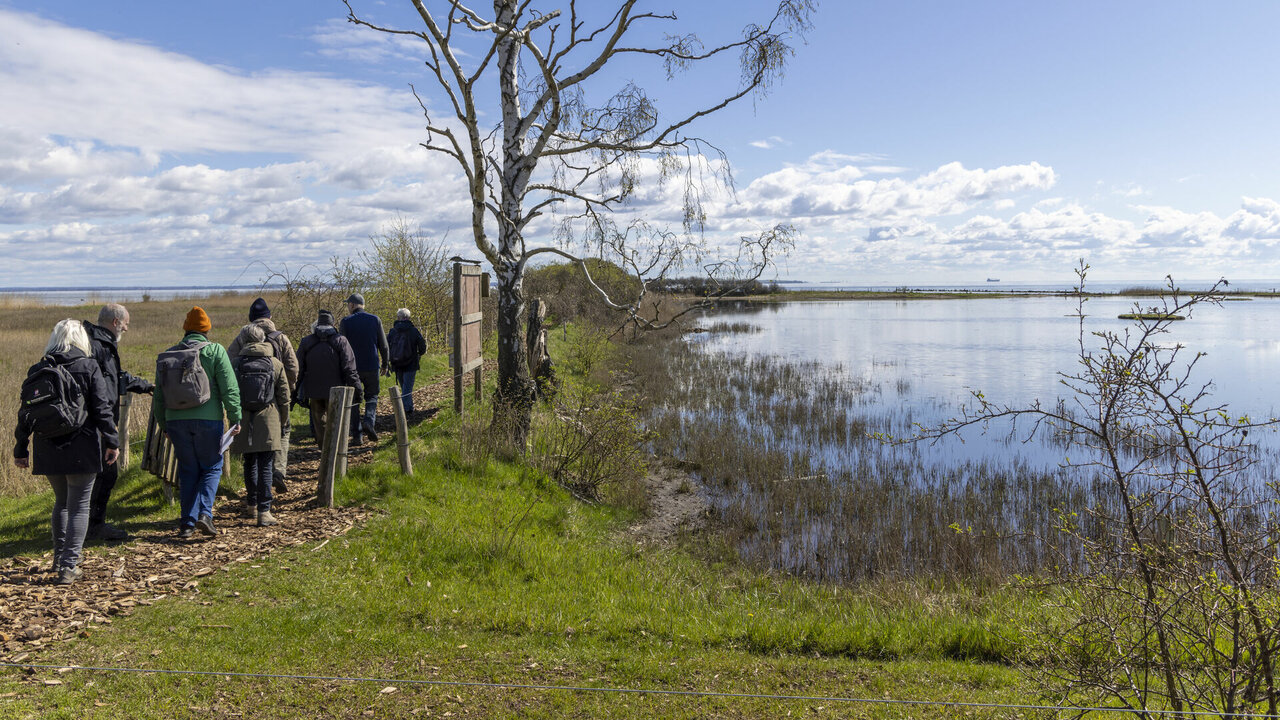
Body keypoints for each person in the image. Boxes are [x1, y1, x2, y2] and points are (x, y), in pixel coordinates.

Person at [13, 319, 119, 585]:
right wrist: (112, 440)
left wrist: (21, 447)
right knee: (79, 506)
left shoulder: (39, 368)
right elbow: (102, 408)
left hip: (47, 445)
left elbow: (25, 414)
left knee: (61, 503)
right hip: (81, 444)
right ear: (80, 339)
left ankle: (60, 558)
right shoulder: (88, 365)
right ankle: (69, 566)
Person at [153, 307, 240, 539]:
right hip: (208, 420)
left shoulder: (169, 355)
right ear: (207, 329)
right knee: (212, 466)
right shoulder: (215, 351)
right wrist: (235, 417)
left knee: (188, 470)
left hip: (176, 422)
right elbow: (229, 388)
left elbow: (159, 397)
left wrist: (165, 425)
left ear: (185, 329)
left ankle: (187, 524)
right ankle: (204, 514)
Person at [83, 304, 154, 541]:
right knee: (105, 474)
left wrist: (146, 386)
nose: (127, 328)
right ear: (115, 322)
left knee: (99, 474)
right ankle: (93, 526)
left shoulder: (99, 342)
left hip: (96, 421)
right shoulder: (99, 346)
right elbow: (98, 387)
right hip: (97, 423)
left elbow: (116, 378)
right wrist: (105, 424)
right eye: (126, 324)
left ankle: (87, 525)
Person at [227, 297, 298, 492]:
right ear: (269, 316)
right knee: (283, 431)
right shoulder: (280, 337)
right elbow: (292, 368)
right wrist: (288, 389)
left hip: (247, 400)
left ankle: (253, 491)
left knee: (251, 442)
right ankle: (277, 471)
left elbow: (229, 364)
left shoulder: (242, 337)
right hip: (274, 399)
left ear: (251, 319)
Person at [229, 324, 290, 527]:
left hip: (244, 418)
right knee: (266, 465)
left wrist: (233, 419)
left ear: (243, 341)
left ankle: (251, 505)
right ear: (262, 339)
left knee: (249, 463)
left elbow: (231, 394)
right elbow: (284, 396)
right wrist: (283, 420)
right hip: (269, 417)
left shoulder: (236, 363)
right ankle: (265, 511)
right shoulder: (275, 363)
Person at [295, 310, 362, 446]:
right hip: (337, 391)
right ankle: (335, 452)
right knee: (336, 422)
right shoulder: (341, 341)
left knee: (320, 425)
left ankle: (324, 451)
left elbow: (298, 369)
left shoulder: (306, 342)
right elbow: (350, 368)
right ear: (332, 324)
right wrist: (357, 389)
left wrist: (294, 392)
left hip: (314, 391)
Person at [338, 293, 389, 444]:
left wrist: (341, 367)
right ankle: (369, 420)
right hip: (372, 365)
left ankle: (357, 435)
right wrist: (385, 364)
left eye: (348, 304)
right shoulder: (375, 319)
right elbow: (384, 345)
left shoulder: (346, 322)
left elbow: (342, 347)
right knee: (372, 395)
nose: (348, 306)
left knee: (354, 400)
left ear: (353, 305)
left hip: (352, 368)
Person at [385, 308, 427, 414]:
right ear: (408, 318)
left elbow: (386, 346)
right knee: (407, 388)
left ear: (399, 317)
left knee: (404, 386)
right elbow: (422, 345)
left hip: (397, 363)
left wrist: (389, 359)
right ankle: (406, 410)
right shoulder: (414, 330)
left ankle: (406, 408)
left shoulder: (393, 331)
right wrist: (419, 354)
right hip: (411, 363)